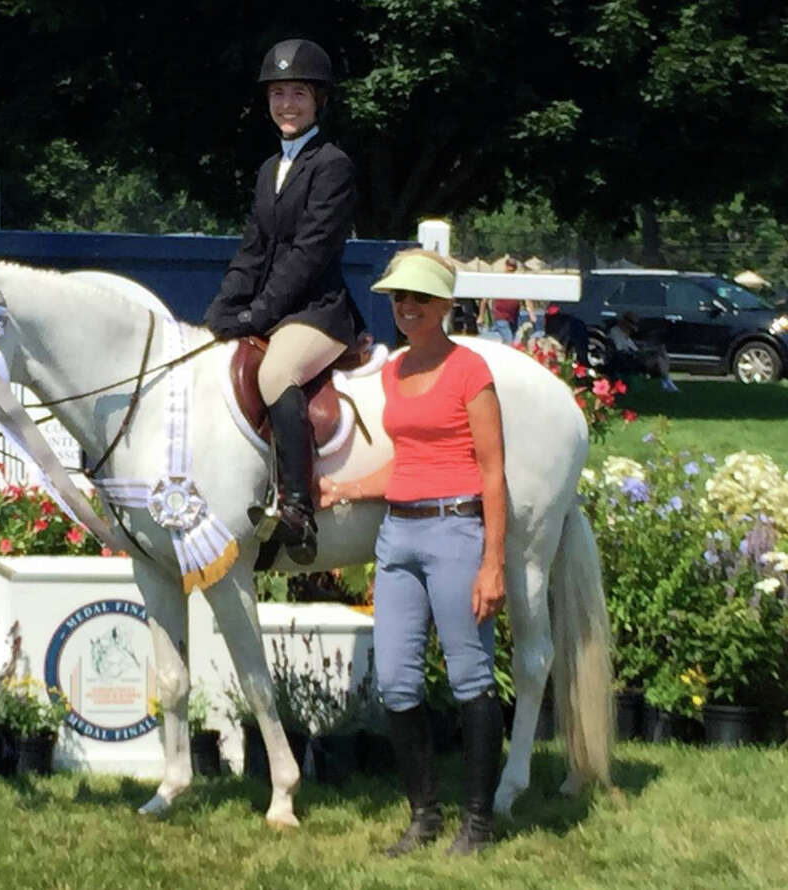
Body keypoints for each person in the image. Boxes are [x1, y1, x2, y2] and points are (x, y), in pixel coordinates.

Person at [319, 249, 507, 856]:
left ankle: (477, 823)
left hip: (456, 532)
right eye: (399, 298)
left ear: (446, 307)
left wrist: (493, 562)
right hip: (397, 537)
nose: (406, 307)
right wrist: (347, 487)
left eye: (419, 298)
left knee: (469, 675)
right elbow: (409, 459)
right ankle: (424, 817)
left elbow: (492, 471)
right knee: (397, 682)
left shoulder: (470, 371)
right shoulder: (395, 370)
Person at [203, 38, 365, 564]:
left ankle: (298, 508)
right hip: (277, 306)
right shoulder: (270, 168)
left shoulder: (332, 165)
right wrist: (223, 310)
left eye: (297, 93)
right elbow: (255, 248)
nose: (287, 104)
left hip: (318, 312)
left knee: (275, 375)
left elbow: (310, 254)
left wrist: (259, 313)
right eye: (278, 93)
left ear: (318, 99)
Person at [608, 311, 678, 392]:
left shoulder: (625, 334)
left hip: (635, 357)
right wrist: (640, 352)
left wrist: (644, 350)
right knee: (658, 360)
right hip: (629, 361)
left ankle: (666, 381)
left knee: (662, 352)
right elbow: (621, 350)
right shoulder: (615, 333)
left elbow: (633, 348)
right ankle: (667, 382)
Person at [478, 258, 521, 342]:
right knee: (509, 340)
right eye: (509, 266)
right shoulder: (498, 280)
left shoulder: (517, 281)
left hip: (514, 317)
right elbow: (485, 299)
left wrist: (530, 311)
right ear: (505, 266)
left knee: (510, 339)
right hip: (501, 315)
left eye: (513, 266)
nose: (511, 268)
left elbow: (526, 297)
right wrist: (481, 316)